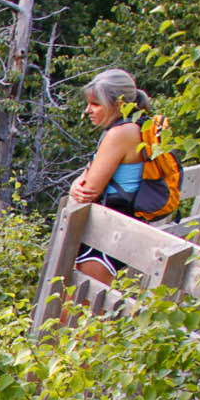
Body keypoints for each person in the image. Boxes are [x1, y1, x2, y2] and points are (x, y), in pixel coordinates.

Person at [68, 68, 152, 287]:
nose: (88, 110)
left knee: (79, 310)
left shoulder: (121, 133)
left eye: (96, 104)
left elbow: (88, 190)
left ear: (117, 103)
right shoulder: (142, 125)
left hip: (107, 234)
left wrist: (76, 183)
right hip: (127, 227)